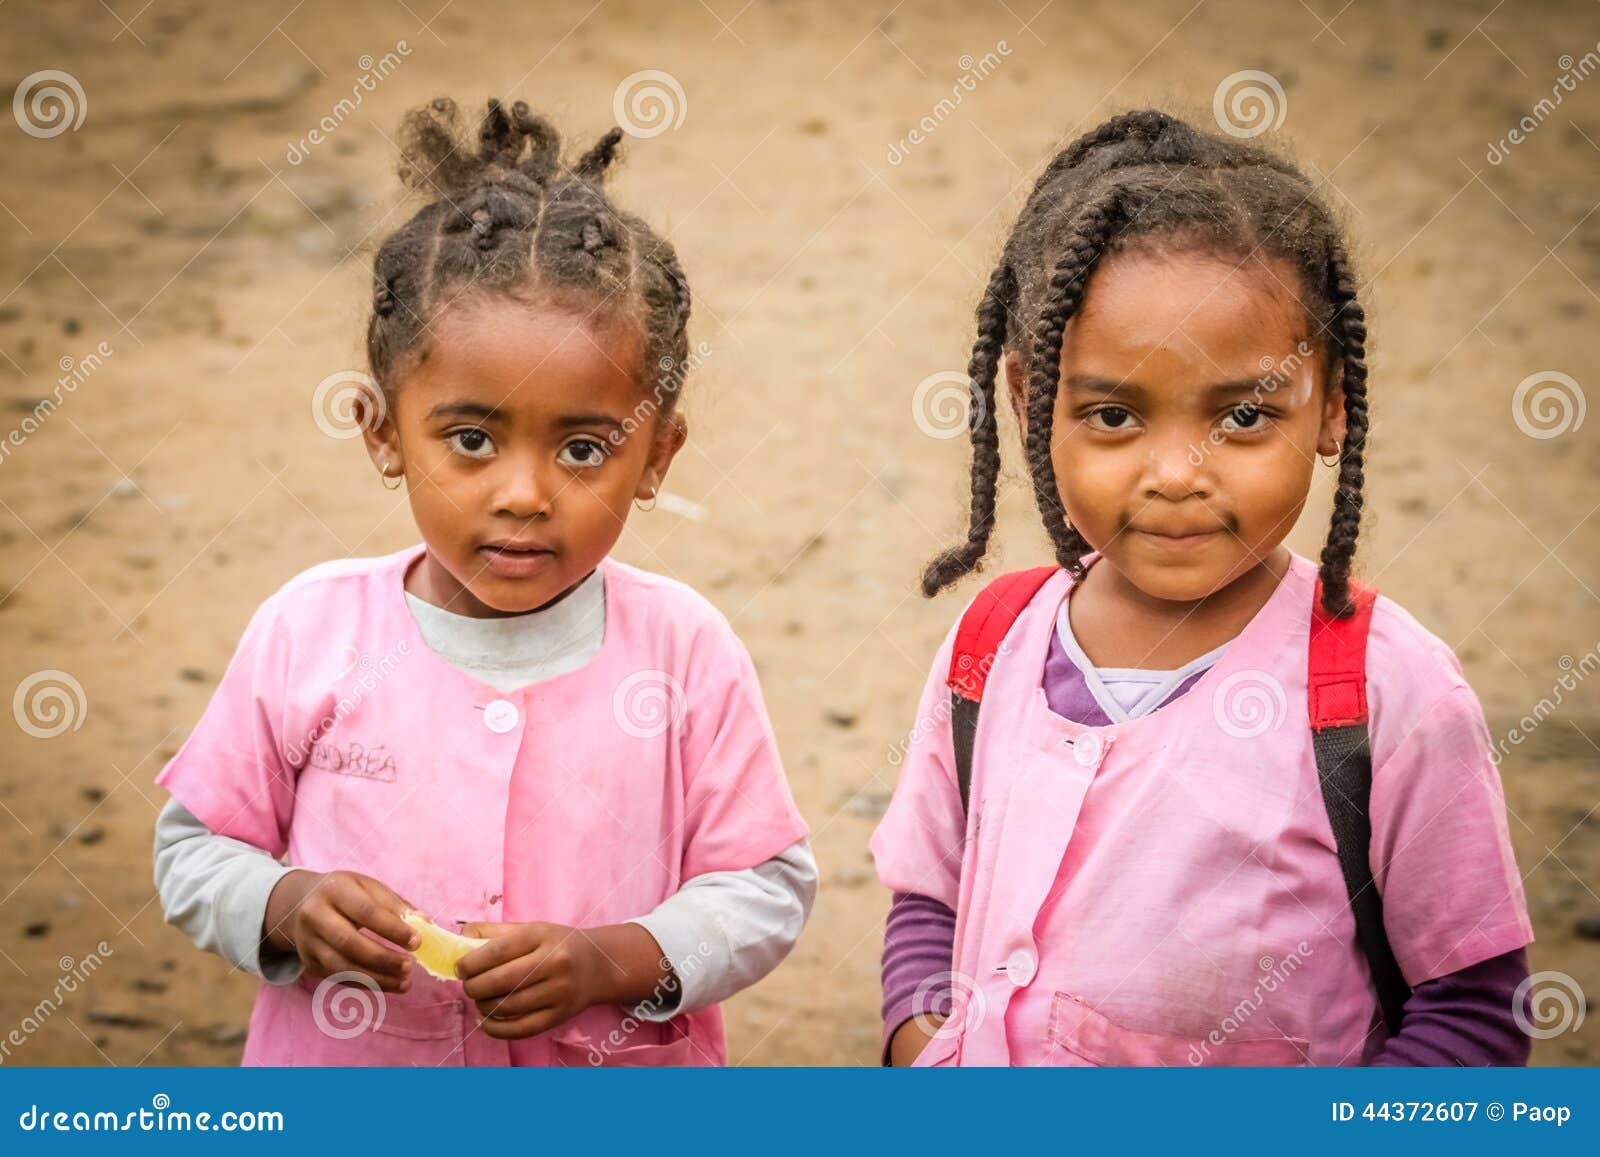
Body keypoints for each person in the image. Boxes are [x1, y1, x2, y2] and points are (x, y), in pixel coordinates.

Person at [154, 97, 813, 1066]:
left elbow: (763, 883)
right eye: (470, 438)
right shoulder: (310, 630)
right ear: (382, 430)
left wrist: (616, 959)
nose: (522, 493)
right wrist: (285, 904)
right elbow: (193, 850)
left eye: (584, 447)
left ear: (657, 453)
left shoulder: (683, 649)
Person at [873, 110, 1533, 1067]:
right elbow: (930, 895)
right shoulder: (990, 645)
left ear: (1333, 404)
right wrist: (917, 1037)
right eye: (1111, 413)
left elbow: (1473, 1014)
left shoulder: (1386, 693)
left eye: (1244, 414)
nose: (1178, 471)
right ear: (1027, 401)